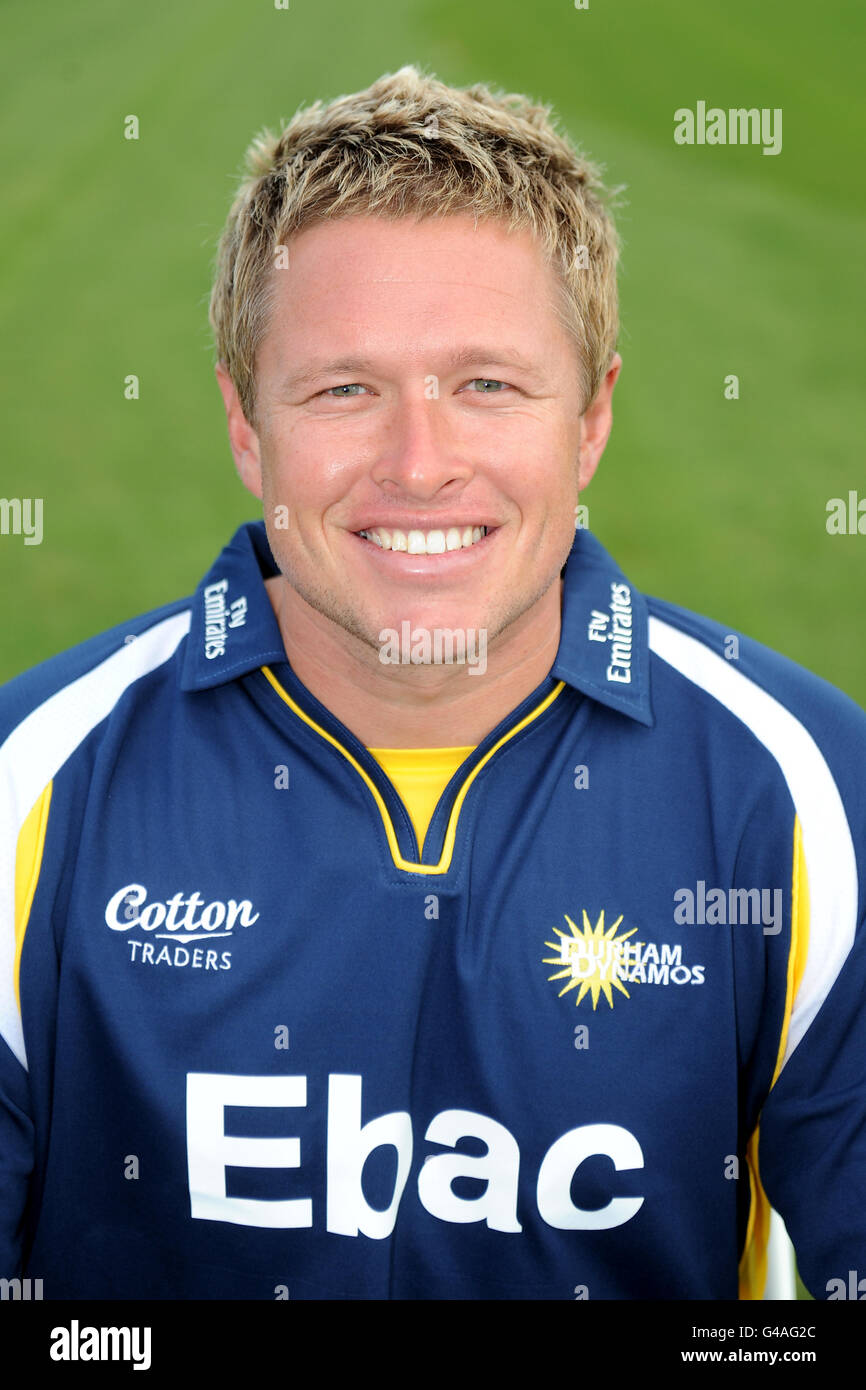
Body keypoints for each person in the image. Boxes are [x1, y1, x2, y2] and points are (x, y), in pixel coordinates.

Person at [1, 64, 864, 1302]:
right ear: (246, 425)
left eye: (486, 385)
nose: (418, 464)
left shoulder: (810, 797)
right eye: (344, 389)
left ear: (590, 420)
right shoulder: (26, 785)